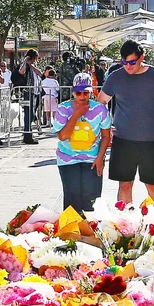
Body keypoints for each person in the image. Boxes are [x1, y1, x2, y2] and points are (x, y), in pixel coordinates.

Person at [96, 40, 154, 205]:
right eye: (125, 63)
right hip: (123, 140)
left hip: (150, 140)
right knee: (125, 184)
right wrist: (106, 127)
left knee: (152, 186)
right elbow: (100, 101)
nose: (128, 66)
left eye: (132, 62)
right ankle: (126, 225)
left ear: (141, 58)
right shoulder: (116, 76)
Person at [54, 73, 113, 214]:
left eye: (85, 92)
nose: (82, 96)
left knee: (92, 201)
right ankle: (72, 233)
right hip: (67, 159)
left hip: (92, 159)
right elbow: (62, 136)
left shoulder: (100, 109)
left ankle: (91, 232)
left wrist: (100, 158)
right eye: (78, 92)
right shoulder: (63, 109)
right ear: (73, 92)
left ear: (91, 92)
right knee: (72, 198)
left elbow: (106, 136)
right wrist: (76, 115)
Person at [18, 49, 43, 144]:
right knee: (29, 114)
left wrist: (31, 65)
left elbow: (40, 73)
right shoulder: (25, 65)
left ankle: (28, 132)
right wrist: (25, 61)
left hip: (35, 92)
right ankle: (27, 134)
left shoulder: (33, 66)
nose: (36, 60)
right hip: (28, 92)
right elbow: (21, 71)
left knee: (31, 113)